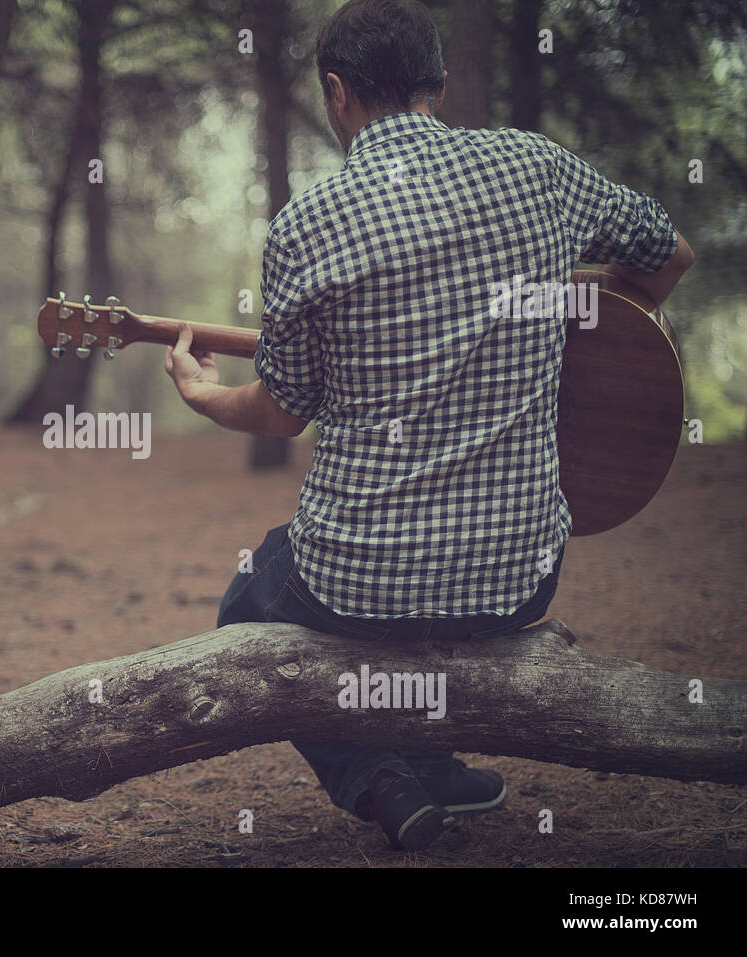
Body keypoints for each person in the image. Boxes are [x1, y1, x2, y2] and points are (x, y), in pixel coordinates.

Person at [163, 0, 694, 852]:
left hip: (354, 581)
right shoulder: (537, 169)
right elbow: (670, 254)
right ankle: (428, 770)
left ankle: (378, 776)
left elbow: (281, 408)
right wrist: (595, 354)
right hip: (520, 575)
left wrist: (202, 396)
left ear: (337, 93)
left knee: (250, 594)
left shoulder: (307, 223)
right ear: (439, 87)